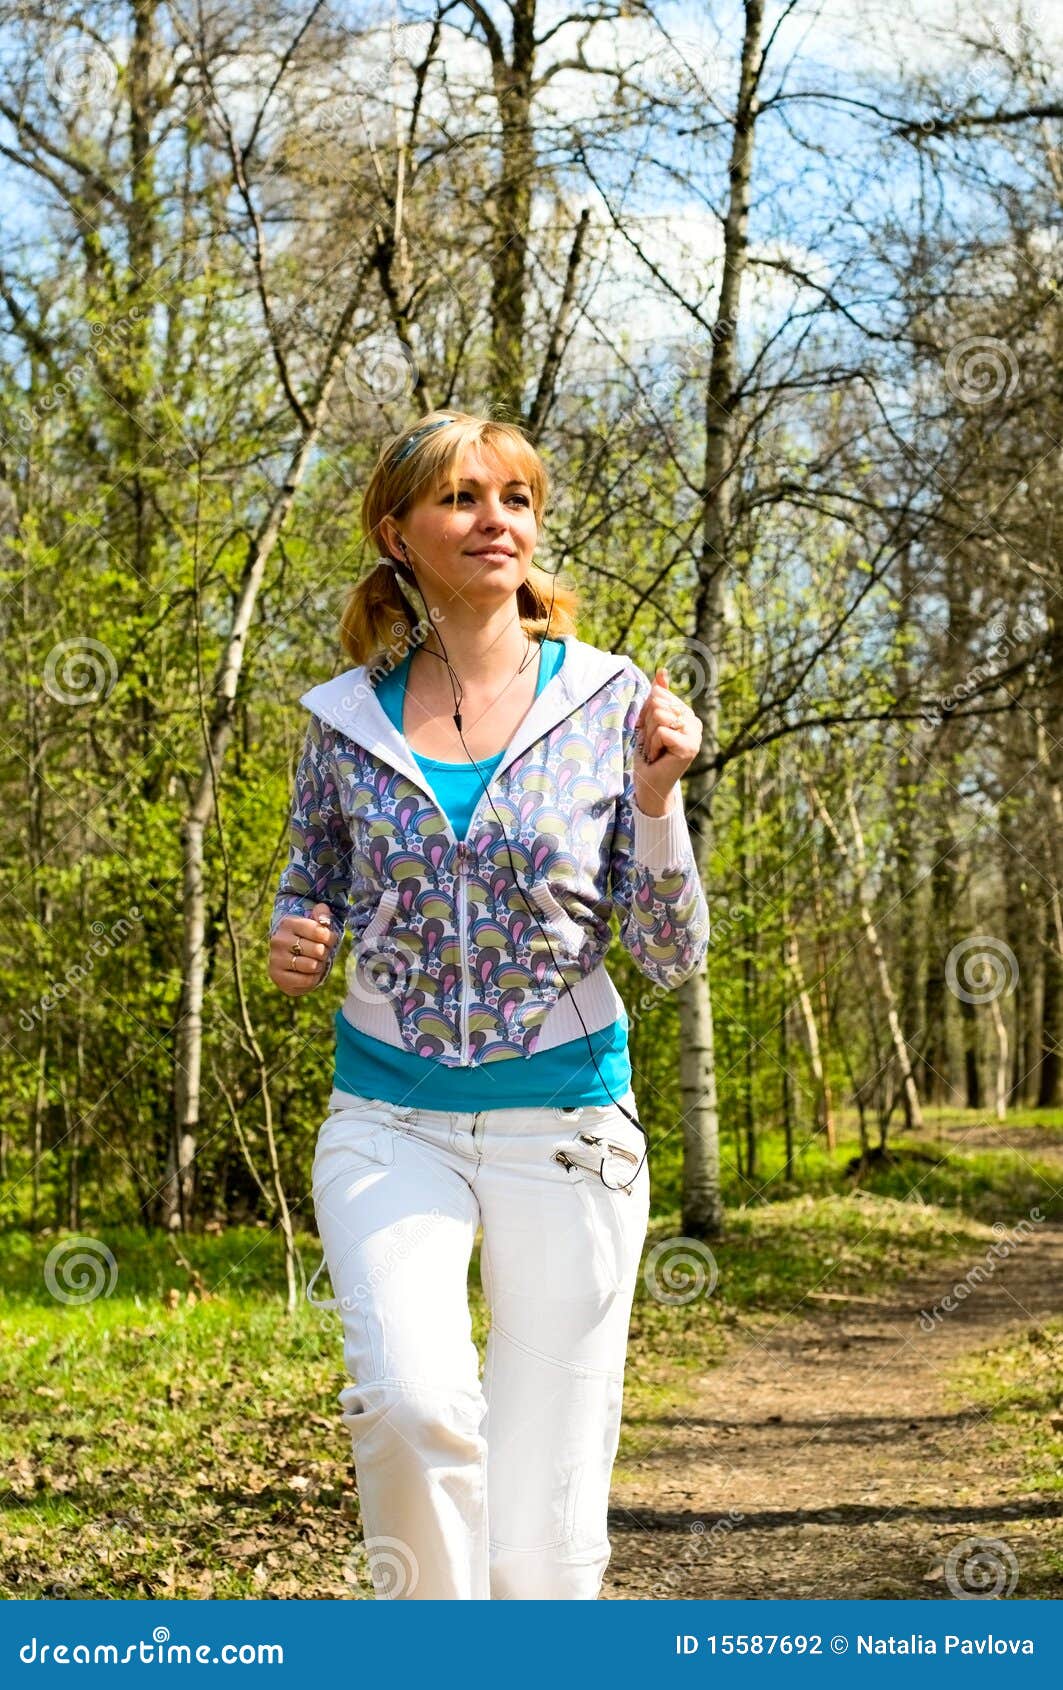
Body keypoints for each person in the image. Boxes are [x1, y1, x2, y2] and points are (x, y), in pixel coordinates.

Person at [268, 409, 709, 1600]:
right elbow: (306, 882)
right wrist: (291, 940)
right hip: (387, 1118)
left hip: (567, 1132)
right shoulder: (341, 722)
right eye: (461, 498)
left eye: (512, 497)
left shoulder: (613, 705)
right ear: (397, 533)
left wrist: (660, 802)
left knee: (544, 1501)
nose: (492, 520)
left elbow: (667, 957)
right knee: (411, 1404)